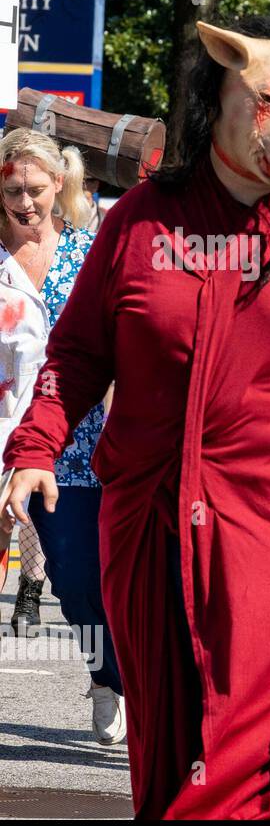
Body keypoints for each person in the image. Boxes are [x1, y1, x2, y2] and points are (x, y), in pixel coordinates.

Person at [1, 15, 270, 819]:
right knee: (170, 751)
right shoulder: (139, 222)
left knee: (265, 761)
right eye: (267, 105)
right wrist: (34, 446)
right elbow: (76, 355)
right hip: (151, 543)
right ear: (220, 97)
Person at [0, 129, 124, 744]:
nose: (25, 203)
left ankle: (114, 678)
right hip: (12, 441)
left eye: (36, 191)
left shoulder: (88, 254)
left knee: (98, 576)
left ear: (60, 187)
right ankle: (109, 674)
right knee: (63, 575)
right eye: (14, 190)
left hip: (84, 445)